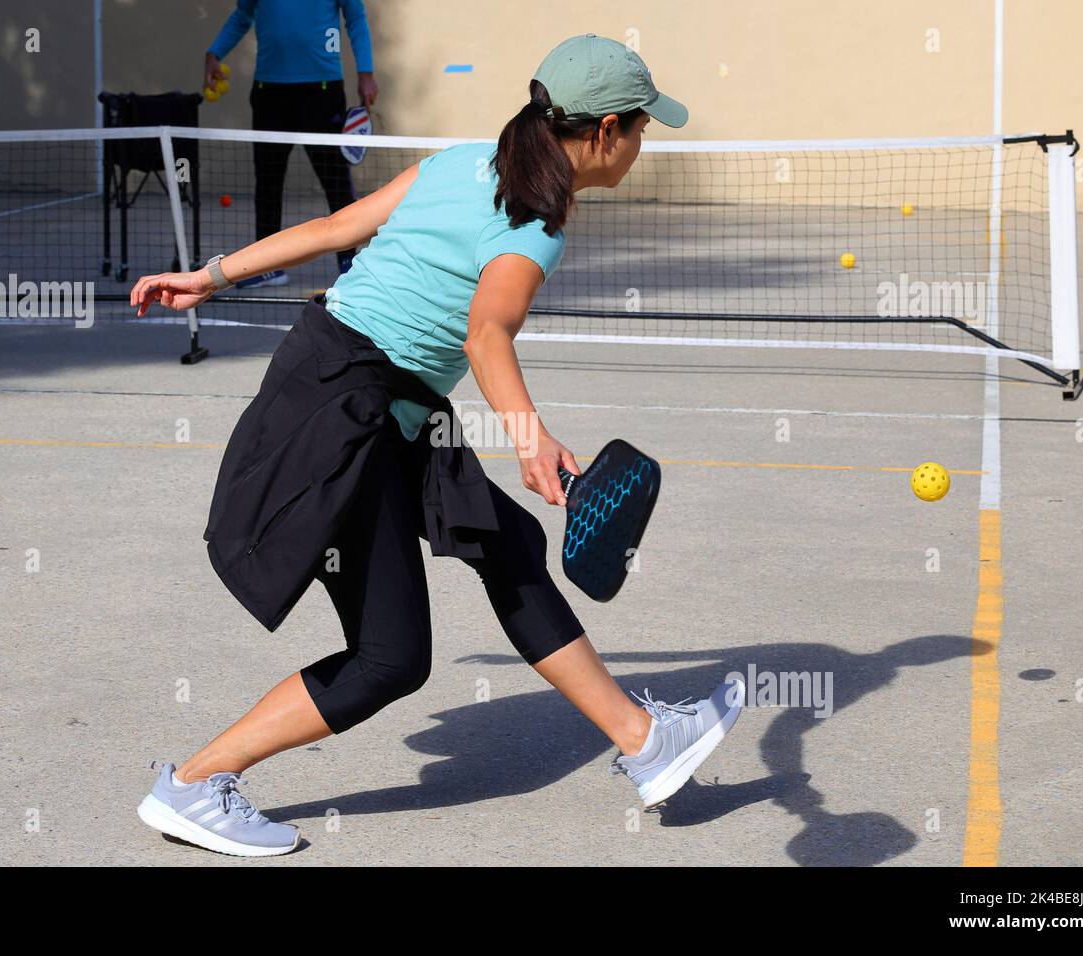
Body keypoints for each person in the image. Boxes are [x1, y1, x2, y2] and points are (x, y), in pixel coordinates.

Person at [132, 35, 744, 858]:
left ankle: (643, 741)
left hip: (376, 392)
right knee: (390, 658)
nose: (641, 145)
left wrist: (212, 274)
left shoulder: (465, 163)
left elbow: (337, 225)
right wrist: (530, 442)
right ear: (604, 132)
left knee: (509, 540)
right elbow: (486, 333)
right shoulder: (535, 225)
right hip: (346, 410)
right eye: (640, 129)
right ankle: (198, 782)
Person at [203, 0, 377, 288]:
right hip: (268, 92)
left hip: (321, 90)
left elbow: (355, 18)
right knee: (267, 182)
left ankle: (349, 263)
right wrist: (214, 53)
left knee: (334, 180)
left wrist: (366, 73)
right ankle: (266, 267)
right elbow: (242, 16)